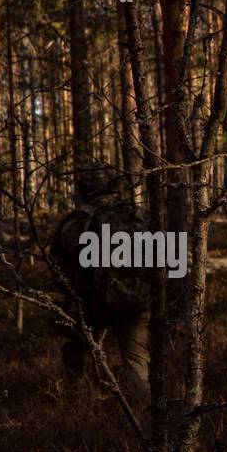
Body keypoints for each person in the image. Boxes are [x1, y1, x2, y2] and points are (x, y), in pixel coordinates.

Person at [49, 163, 150, 404]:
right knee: (136, 360)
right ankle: (143, 412)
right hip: (135, 300)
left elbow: (58, 266)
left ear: (83, 189)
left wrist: (73, 294)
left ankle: (76, 402)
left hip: (92, 303)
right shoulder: (140, 216)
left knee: (75, 349)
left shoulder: (75, 223)